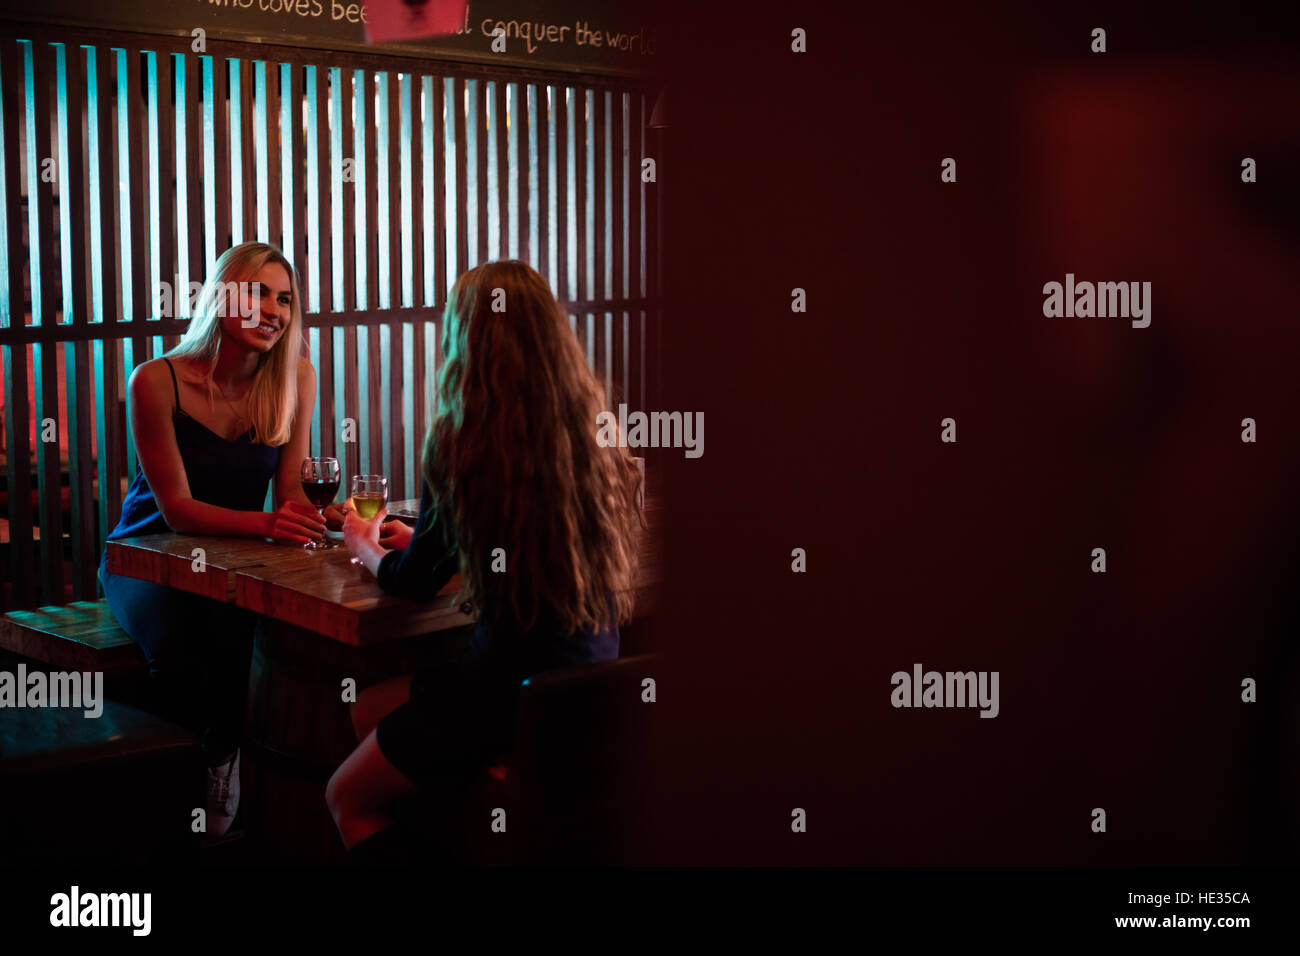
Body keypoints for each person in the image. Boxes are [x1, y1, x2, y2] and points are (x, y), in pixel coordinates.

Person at [326, 260, 643, 863]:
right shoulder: (594, 433)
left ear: (461, 338)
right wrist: (420, 533)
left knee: (347, 798)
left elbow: (414, 584)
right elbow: (516, 541)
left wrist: (363, 542)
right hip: (588, 683)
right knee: (365, 709)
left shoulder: (461, 440)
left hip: (505, 694)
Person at [98, 241, 328, 838]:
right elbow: (175, 512)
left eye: (284, 298)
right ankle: (193, 772)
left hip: (236, 552)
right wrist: (270, 525)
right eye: (257, 292)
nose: (273, 310)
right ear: (223, 295)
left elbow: (290, 494)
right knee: (183, 639)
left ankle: (227, 760)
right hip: (144, 555)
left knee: (263, 627)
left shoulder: (296, 375)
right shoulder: (157, 380)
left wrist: (323, 518)